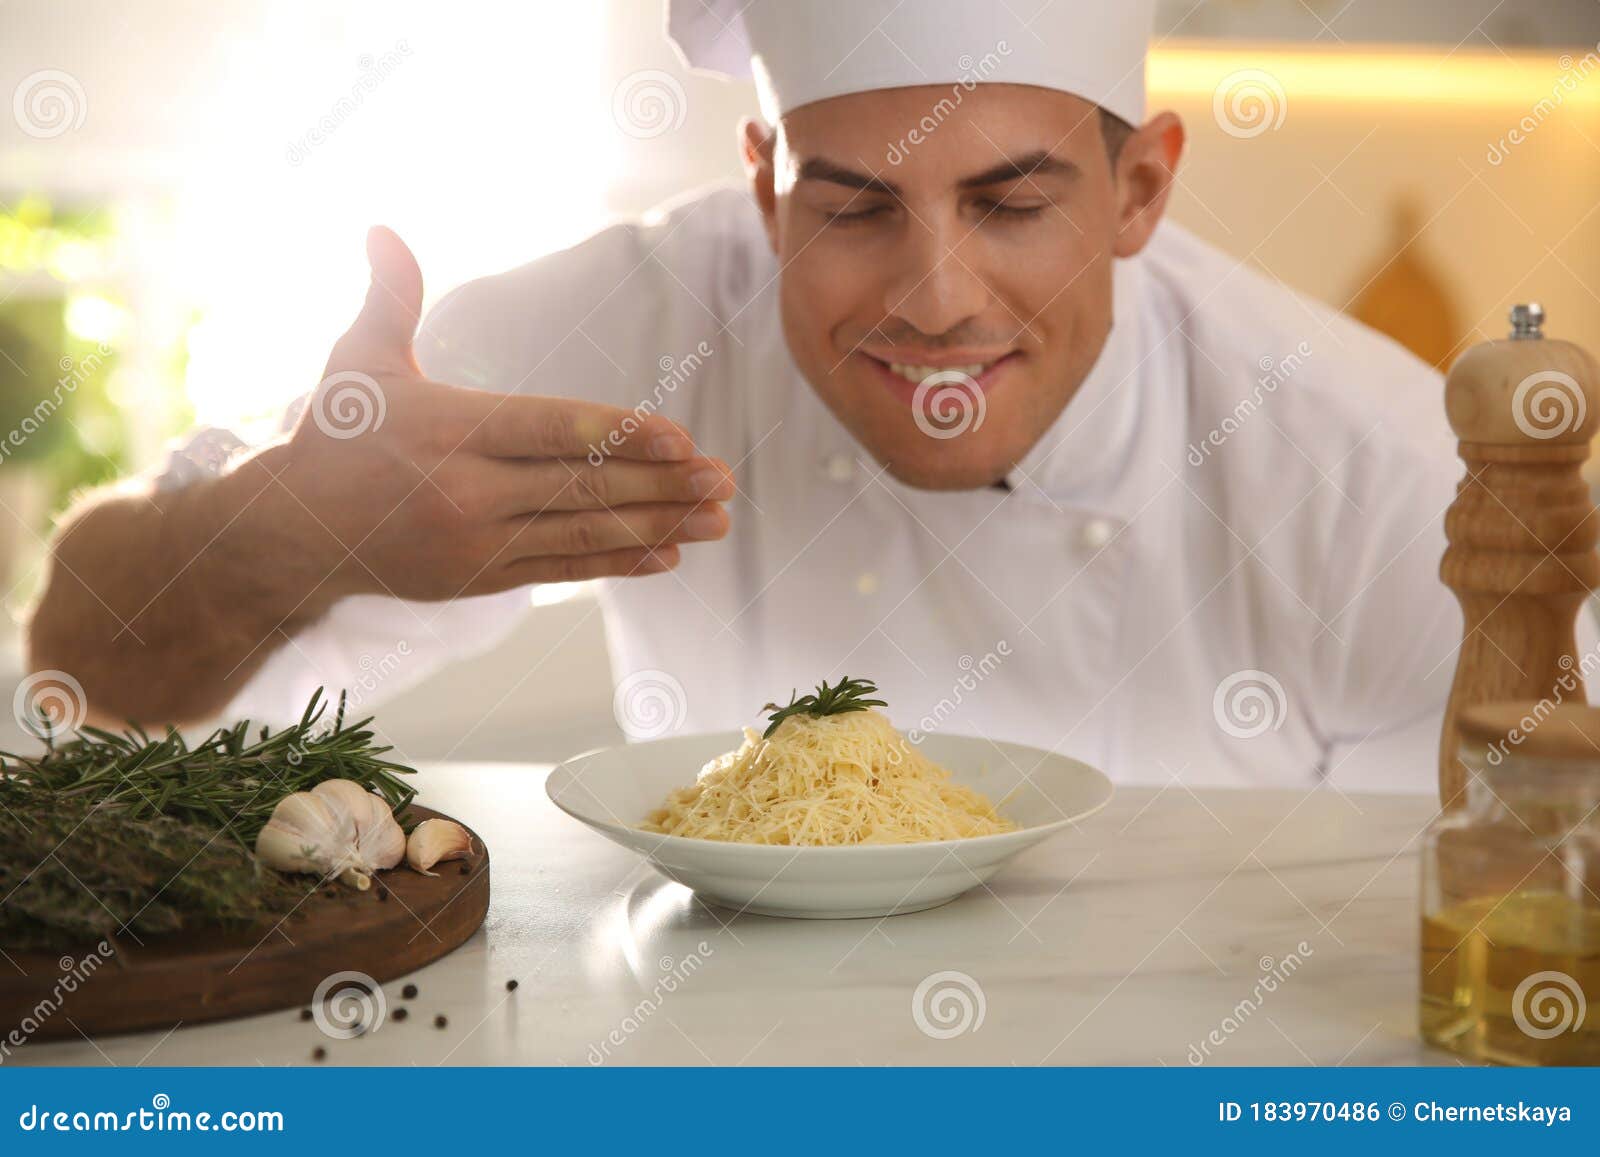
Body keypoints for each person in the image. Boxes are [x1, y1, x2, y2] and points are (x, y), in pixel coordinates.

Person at [24, 1, 1527, 790]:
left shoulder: (1377, 481)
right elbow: (75, 691)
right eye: (856, 207)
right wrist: (276, 534)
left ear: (1140, 190)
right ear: (760, 190)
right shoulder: (617, 334)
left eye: (1011, 205)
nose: (934, 298)